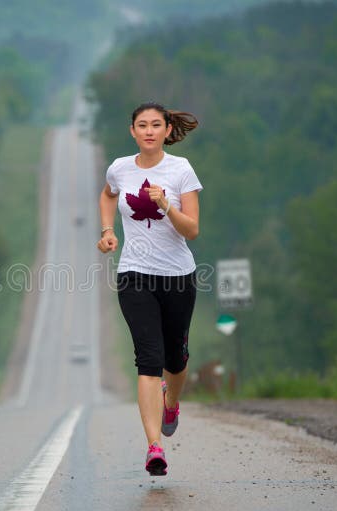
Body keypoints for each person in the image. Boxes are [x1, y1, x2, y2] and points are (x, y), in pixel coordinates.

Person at [96, 101, 201, 476]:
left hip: (178, 276)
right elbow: (108, 195)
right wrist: (108, 232)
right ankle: (154, 446)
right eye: (142, 125)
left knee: (176, 357)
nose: (149, 131)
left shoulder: (181, 170)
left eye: (157, 125)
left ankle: (171, 401)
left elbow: (192, 230)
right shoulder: (120, 169)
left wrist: (165, 206)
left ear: (168, 130)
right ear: (133, 131)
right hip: (134, 275)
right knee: (149, 357)